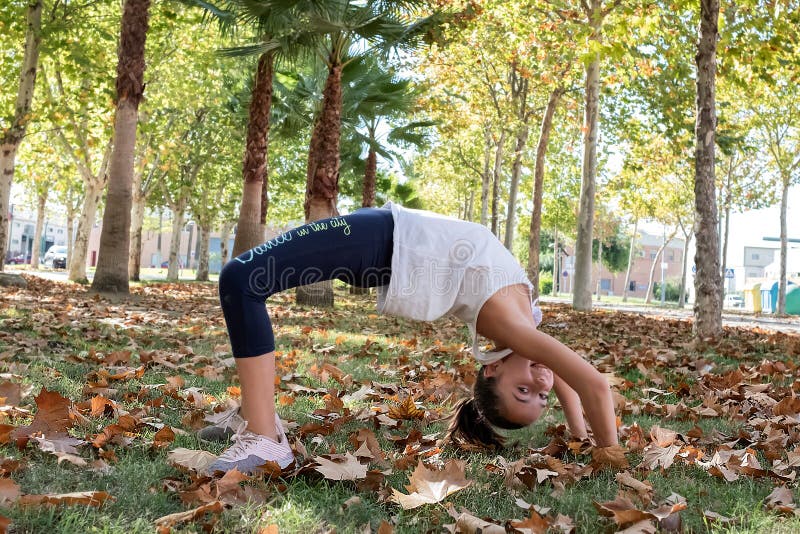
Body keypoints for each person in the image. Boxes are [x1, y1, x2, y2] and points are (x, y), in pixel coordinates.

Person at [203, 203, 618, 474]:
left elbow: (569, 379)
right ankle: (259, 426)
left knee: (241, 280)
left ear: (493, 368)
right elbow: (585, 383)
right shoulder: (520, 331)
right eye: (532, 393)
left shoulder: (516, 333)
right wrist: (606, 458)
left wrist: (583, 434)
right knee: (242, 280)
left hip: (384, 247)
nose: (543, 385)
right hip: (388, 238)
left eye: (526, 392)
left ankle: (263, 431)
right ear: (493, 368)